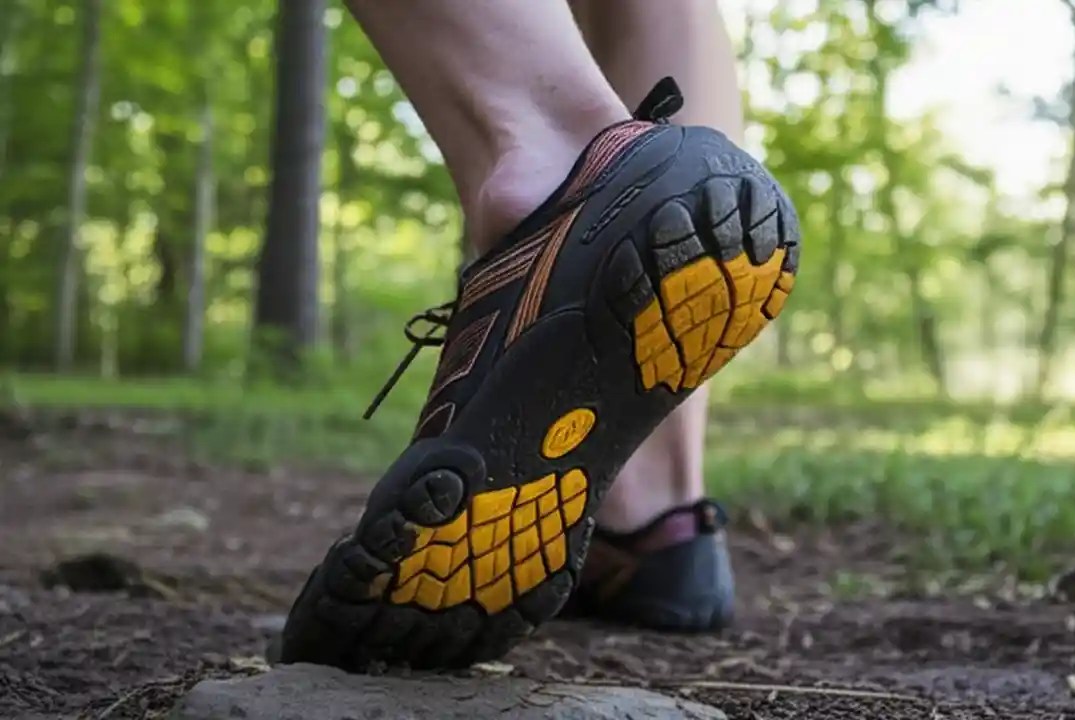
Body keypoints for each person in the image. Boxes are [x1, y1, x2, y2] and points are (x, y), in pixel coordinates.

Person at [279, 0, 800, 670]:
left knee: (581, 128)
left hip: (572, 181)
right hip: (668, 524)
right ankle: (658, 513)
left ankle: (554, 151)